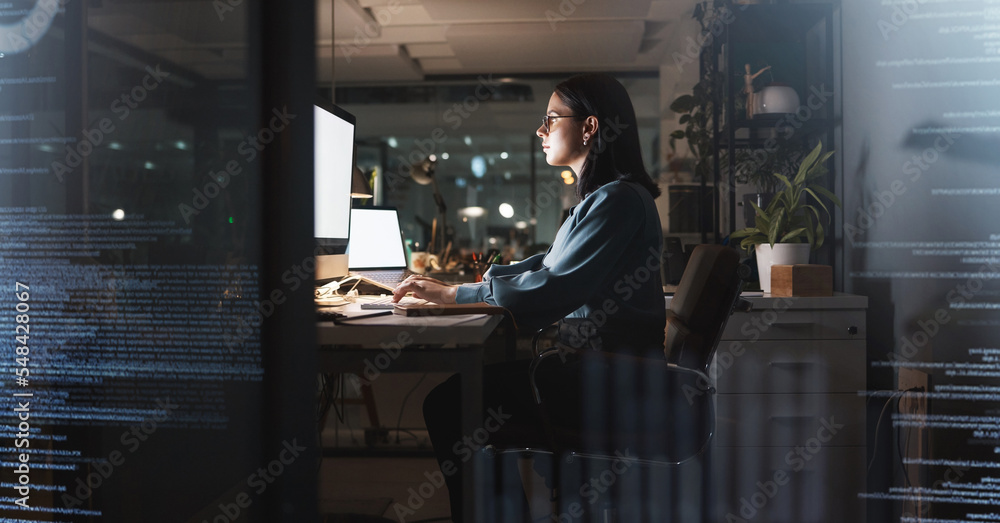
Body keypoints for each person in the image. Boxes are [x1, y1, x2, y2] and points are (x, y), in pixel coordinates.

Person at [392, 73, 666, 521]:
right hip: (604, 368)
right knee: (467, 395)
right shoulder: (604, 198)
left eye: (551, 119)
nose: (540, 130)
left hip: (609, 377)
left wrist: (454, 295)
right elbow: (546, 266)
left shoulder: (616, 200)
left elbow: (555, 288)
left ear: (590, 127)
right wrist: (456, 292)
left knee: (450, 403)